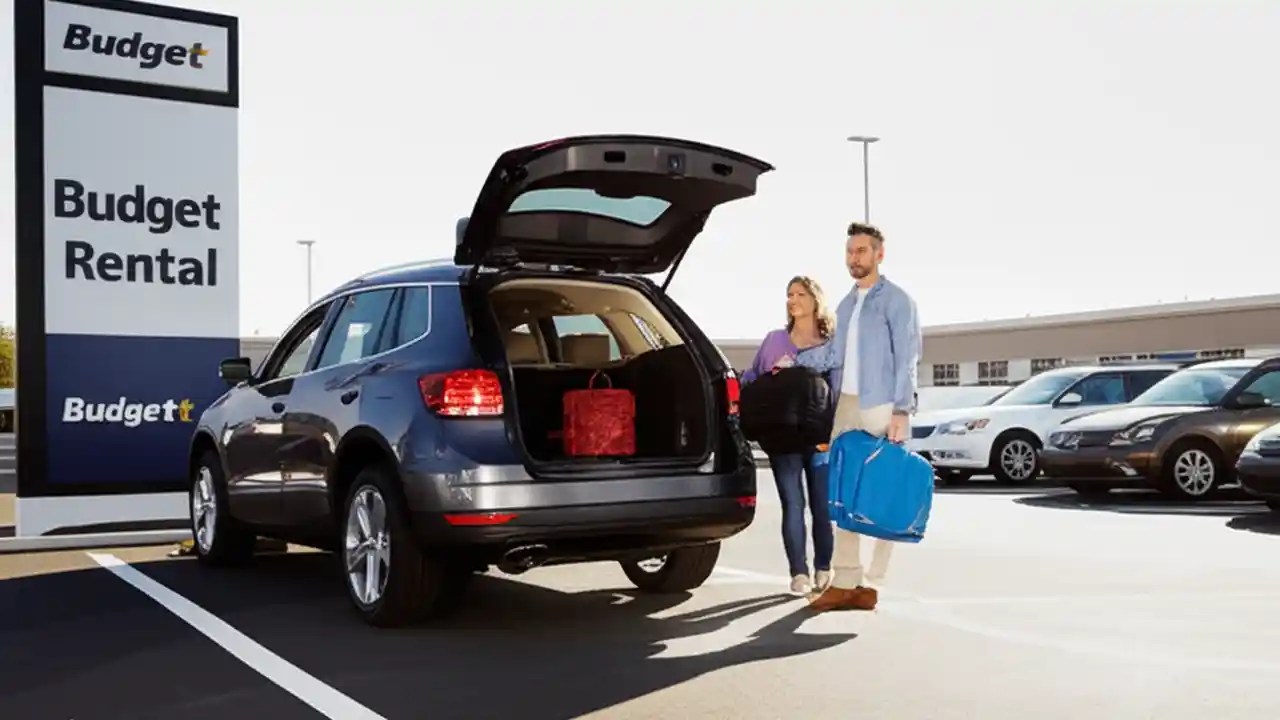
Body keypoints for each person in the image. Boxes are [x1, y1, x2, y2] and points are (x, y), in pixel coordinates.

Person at [793, 222, 922, 612]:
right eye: (850, 252)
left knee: (885, 487)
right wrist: (796, 360)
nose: (855, 258)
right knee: (844, 491)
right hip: (847, 404)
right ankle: (847, 579)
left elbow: (908, 357)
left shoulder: (897, 301)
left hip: (883, 403)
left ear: (879, 254)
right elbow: (834, 356)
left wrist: (903, 408)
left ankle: (872, 581)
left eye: (862, 251)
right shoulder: (847, 305)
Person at [740, 276, 837, 596]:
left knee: (821, 505)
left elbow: (837, 390)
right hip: (782, 436)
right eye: (789, 295)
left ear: (814, 300)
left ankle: (824, 566)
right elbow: (751, 380)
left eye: (799, 294)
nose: (792, 300)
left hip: (818, 434)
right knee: (793, 503)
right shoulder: (774, 341)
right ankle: (799, 572)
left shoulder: (830, 343)